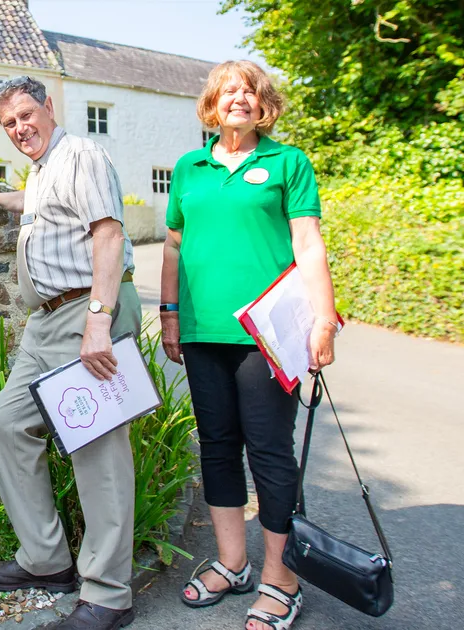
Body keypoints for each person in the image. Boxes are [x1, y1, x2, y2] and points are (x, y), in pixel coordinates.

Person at [162, 60, 339, 630]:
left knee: (268, 450)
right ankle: (234, 563)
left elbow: (307, 245)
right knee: (216, 445)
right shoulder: (190, 167)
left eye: (250, 91)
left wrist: (324, 320)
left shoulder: (287, 162)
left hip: (268, 334)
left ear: (264, 103)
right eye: (229, 91)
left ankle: (281, 579)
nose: (240, 99)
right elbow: (172, 245)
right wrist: (169, 315)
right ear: (212, 103)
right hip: (202, 331)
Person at [0, 76, 141, 630]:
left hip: (88, 311)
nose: (19, 128)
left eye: (25, 115)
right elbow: (46, 207)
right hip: (47, 323)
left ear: (48, 106)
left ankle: (109, 594)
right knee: (7, 425)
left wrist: (98, 322)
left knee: (98, 451)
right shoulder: (43, 171)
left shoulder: (82, 152)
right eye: (9, 123)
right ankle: (46, 560)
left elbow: (107, 233)